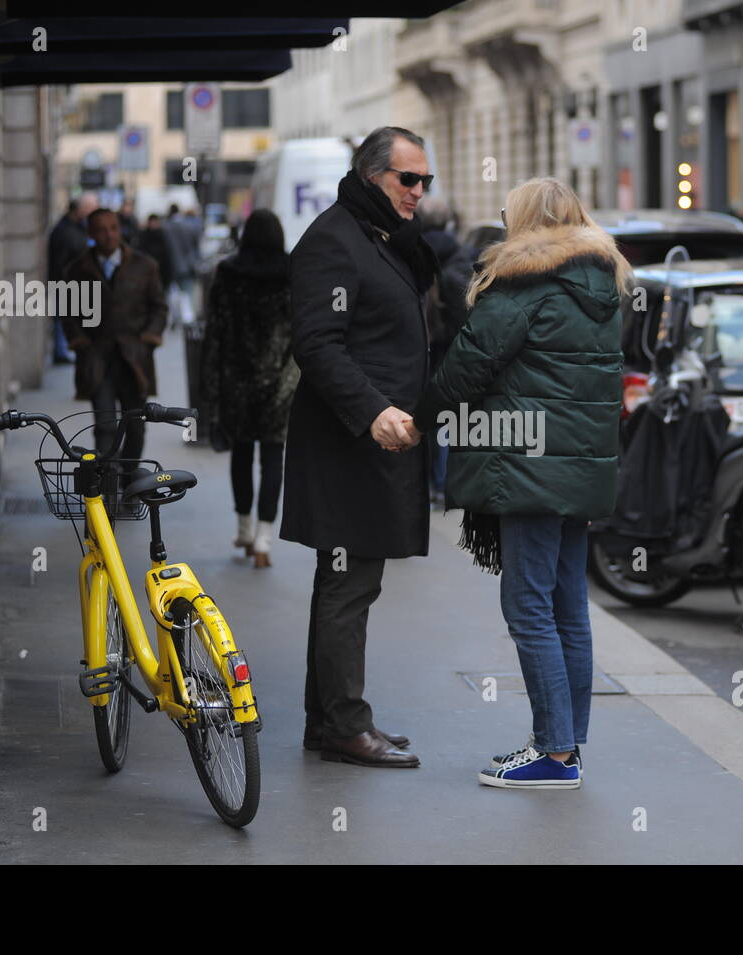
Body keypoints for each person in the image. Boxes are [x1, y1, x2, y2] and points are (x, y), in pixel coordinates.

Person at [411, 177, 633, 789]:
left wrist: (418, 419)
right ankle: (568, 746)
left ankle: (554, 754)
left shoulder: (527, 282)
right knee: (568, 608)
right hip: (577, 468)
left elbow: (468, 364)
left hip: (528, 467)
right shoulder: (603, 285)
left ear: (529, 221)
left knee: (528, 606)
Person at [279, 126, 438, 769]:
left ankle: (330, 721)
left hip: (373, 443)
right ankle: (345, 724)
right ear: (374, 176)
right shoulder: (334, 239)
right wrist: (373, 411)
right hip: (349, 445)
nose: (419, 192)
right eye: (409, 179)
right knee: (348, 586)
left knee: (346, 585)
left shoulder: (375, 235)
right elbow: (317, 344)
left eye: (426, 181)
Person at [200, 210, 299, 569]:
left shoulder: (228, 273)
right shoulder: (293, 272)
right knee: (273, 457)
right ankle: (263, 539)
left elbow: (215, 333)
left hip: (236, 380)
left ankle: (242, 530)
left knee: (241, 454)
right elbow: (303, 332)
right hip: (281, 382)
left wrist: (208, 390)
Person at [61, 208, 168, 464]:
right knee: (105, 427)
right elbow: (68, 312)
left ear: (120, 230)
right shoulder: (78, 269)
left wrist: (149, 338)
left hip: (134, 359)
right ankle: (107, 489)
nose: (108, 235)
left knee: (135, 427)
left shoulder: (145, 266)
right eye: (100, 230)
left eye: (113, 228)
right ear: (90, 234)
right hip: (99, 358)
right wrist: (81, 343)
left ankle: (129, 484)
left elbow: (159, 307)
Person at [417, 195, 475, 506]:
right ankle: (443, 483)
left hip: (420, 349)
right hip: (451, 351)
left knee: (423, 418)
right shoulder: (460, 255)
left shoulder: (411, 252)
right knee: (448, 420)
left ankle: (425, 481)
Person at [47, 192, 98, 364]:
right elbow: (61, 262)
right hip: (66, 284)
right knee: (64, 319)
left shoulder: (77, 228)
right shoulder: (65, 231)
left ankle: (67, 349)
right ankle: (63, 351)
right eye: (91, 209)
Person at [135, 213, 175, 290]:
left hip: (162, 274)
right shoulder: (143, 236)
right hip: (147, 275)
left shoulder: (163, 236)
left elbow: (168, 256)